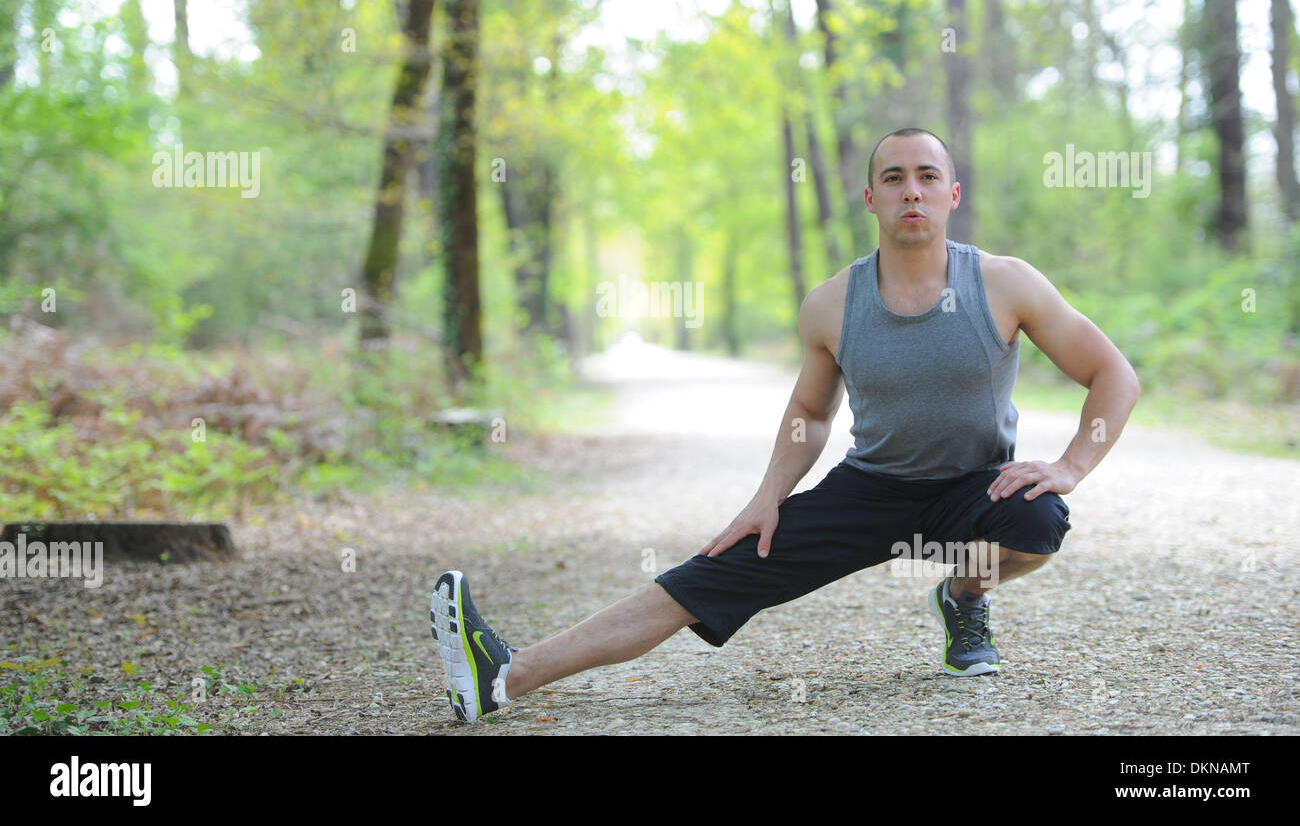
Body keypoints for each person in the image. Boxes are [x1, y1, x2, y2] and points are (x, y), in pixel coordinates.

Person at [430, 126, 1141, 724]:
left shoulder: (1006, 283)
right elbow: (810, 410)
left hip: (973, 488)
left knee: (1042, 518)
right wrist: (766, 495)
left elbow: (1115, 374)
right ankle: (505, 675)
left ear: (953, 195)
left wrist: (1071, 465)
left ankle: (964, 594)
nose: (912, 191)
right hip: (870, 491)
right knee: (704, 575)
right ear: (872, 199)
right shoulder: (833, 303)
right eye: (893, 179)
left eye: (928, 176)